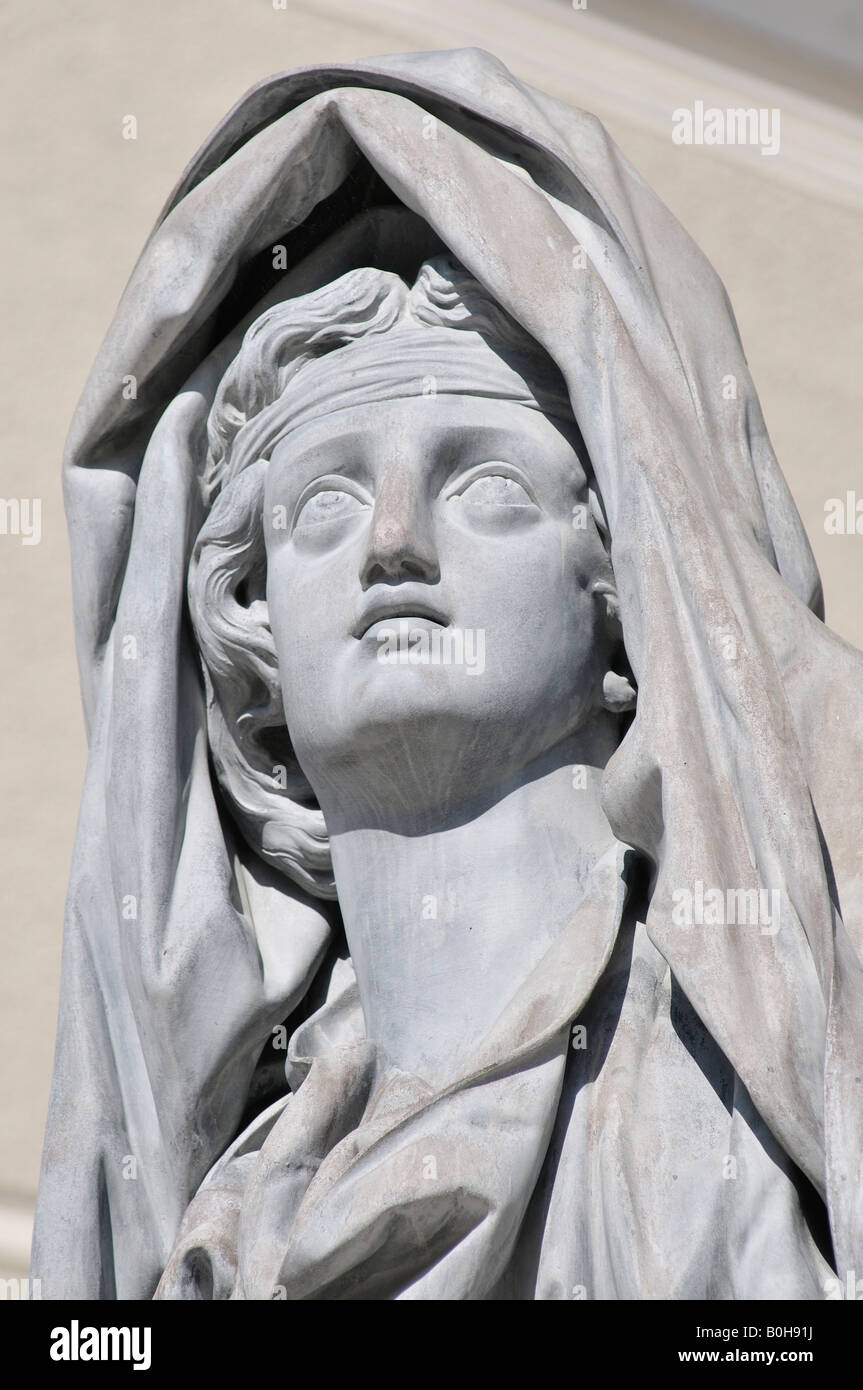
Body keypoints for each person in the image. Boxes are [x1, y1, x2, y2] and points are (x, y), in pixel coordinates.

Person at [33, 47, 863, 1300]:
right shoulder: (230, 1219)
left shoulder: (718, 1150)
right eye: (322, 502)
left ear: (620, 597)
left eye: (482, 482)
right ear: (243, 633)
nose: (392, 538)